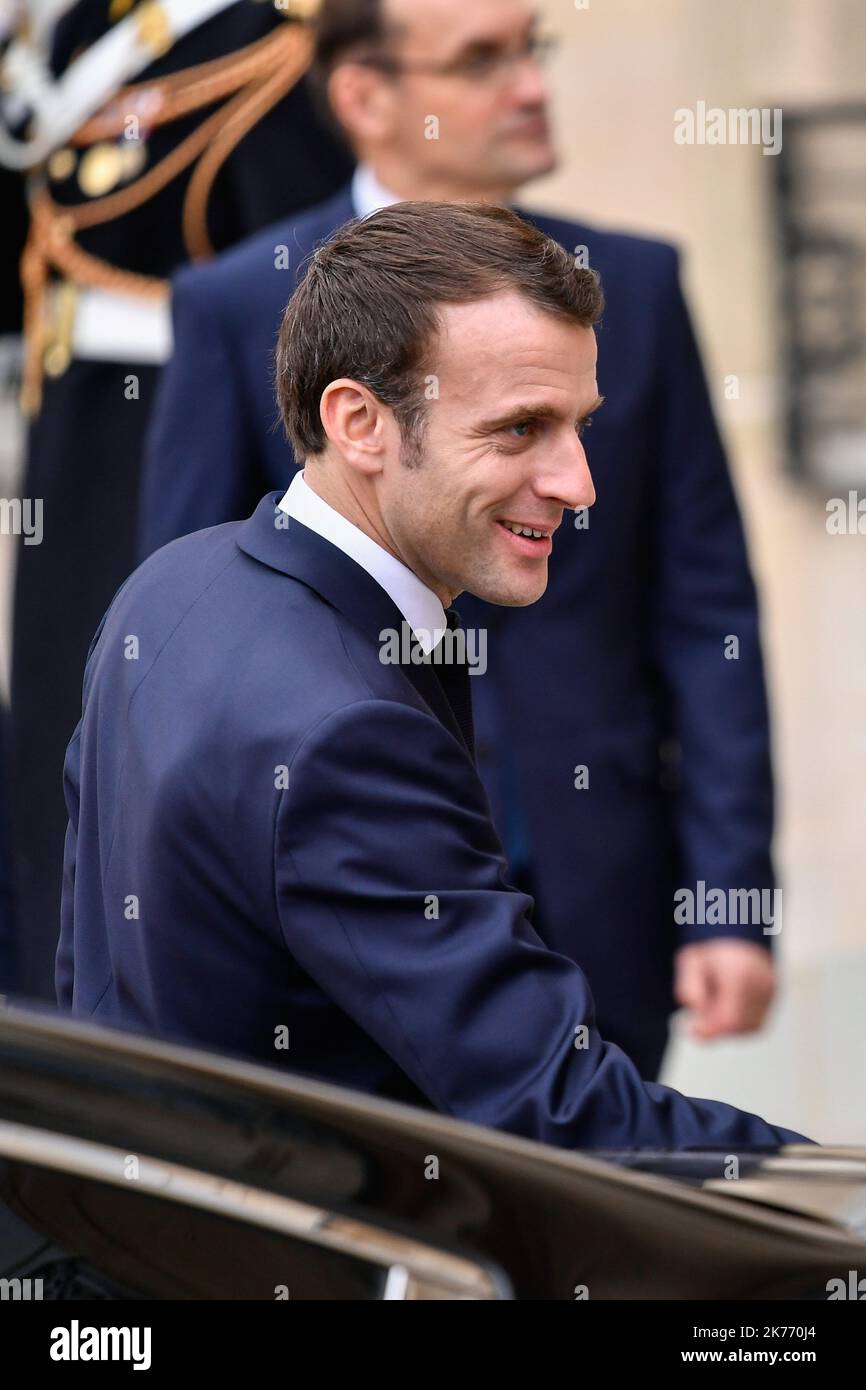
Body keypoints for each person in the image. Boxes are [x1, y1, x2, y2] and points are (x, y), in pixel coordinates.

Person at [59, 202, 811, 1150]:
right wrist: (828, 1202)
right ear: (360, 422)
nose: (578, 483)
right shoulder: (347, 733)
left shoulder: (164, 590)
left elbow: (88, 970)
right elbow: (560, 1110)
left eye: (579, 426)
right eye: (520, 429)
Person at [138, 0, 778, 1080]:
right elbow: (196, 631)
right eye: (481, 59)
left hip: (595, 874)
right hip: (339, 909)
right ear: (363, 96)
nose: (528, 83)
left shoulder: (641, 284)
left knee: (601, 1206)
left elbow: (704, 607)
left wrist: (728, 897)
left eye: (532, 47)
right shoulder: (237, 301)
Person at [5, 0, 353, 999]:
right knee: (61, 757)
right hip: (71, 459)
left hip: (181, 456)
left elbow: (311, 316)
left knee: (160, 760)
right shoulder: (66, 45)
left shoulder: (265, 44)